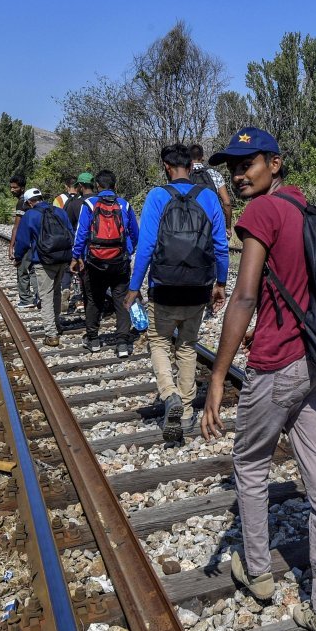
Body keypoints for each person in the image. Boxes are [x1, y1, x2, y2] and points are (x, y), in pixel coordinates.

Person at [201, 128, 316, 631]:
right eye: (233, 167)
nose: (240, 174)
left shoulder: (262, 212)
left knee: (250, 463)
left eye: (249, 163)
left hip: (277, 363)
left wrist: (217, 376)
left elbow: (243, 298)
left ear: (275, 163)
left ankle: (259, 572)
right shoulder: (303, 207)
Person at [124, 144, 229, 442]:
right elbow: (221, 247)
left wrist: (134, 287)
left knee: (158, 341)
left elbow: (146, 247)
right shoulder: (208, 196)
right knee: (187, 345)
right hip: (198, 287)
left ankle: (169, 394)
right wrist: (220, 283)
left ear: (166, 167)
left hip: (164, 286)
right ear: (192, 167)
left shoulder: (157, 196)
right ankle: (184, 413)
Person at [69, 170, 138, 357]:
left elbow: (81, 233)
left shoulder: (89, 204)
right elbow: (134, 233)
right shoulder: (124, 204)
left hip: (94, 262)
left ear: (97, 186)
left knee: (94, 299)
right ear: (115, 185)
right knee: (121, 299)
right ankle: (122, 343)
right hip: (120, 261)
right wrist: (128, 250)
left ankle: (93, 339)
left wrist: (76, 257)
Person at [13, 188, 73, 346]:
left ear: (29, 202)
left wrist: (18, 258)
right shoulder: (60, 212)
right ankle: (57, 324)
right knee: (56, 292)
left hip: (43, 261)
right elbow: (71, 233)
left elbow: (23, 241)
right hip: (62, 258)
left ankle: (51, 334)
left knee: (45, 296)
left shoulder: (30, 215)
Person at [63, 172, 95, 315]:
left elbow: (68, 227)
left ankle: (81, 301)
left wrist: (75, 253)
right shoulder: (101, 200)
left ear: (80, 186)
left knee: (78, 276)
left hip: (82, 248)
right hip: (101, 246)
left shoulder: (75, 203)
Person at [7, 174, 39, 310]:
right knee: (34, 270)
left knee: (22, 270)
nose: (12, 190)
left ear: (22, 188)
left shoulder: (21, 203)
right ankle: (39, 297)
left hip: (26, 242)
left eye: (15, 187)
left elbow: (16, 226)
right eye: (11, 187)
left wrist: (11, 246)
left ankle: (26, 299)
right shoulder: (33, 200)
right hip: (36, 241)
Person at [190, 144, 233, 237]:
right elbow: (227, 203)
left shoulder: (185, 175)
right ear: (202, 157)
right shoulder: (214, 174)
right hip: (213, 224)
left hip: (191, 226)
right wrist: (228, 227)